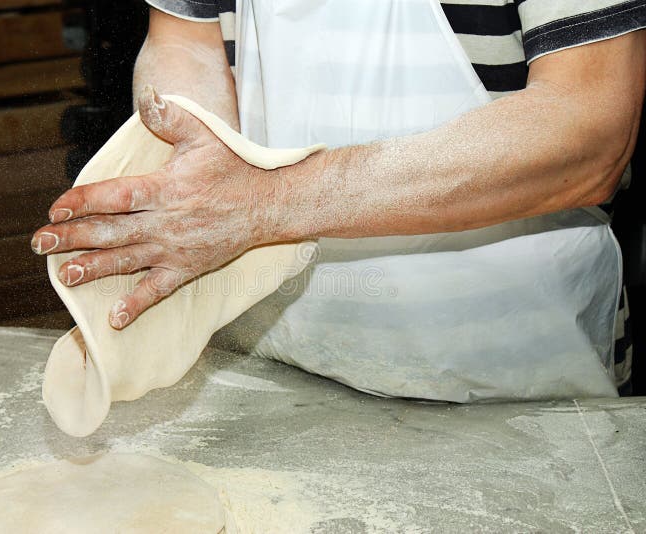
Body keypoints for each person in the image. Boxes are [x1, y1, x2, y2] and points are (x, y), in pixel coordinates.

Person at [33, 1, 646, 397]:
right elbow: (185, 41)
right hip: (273, 362)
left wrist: (266, 204)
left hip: (516, 377)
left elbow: (588, 131)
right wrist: (192, 175)